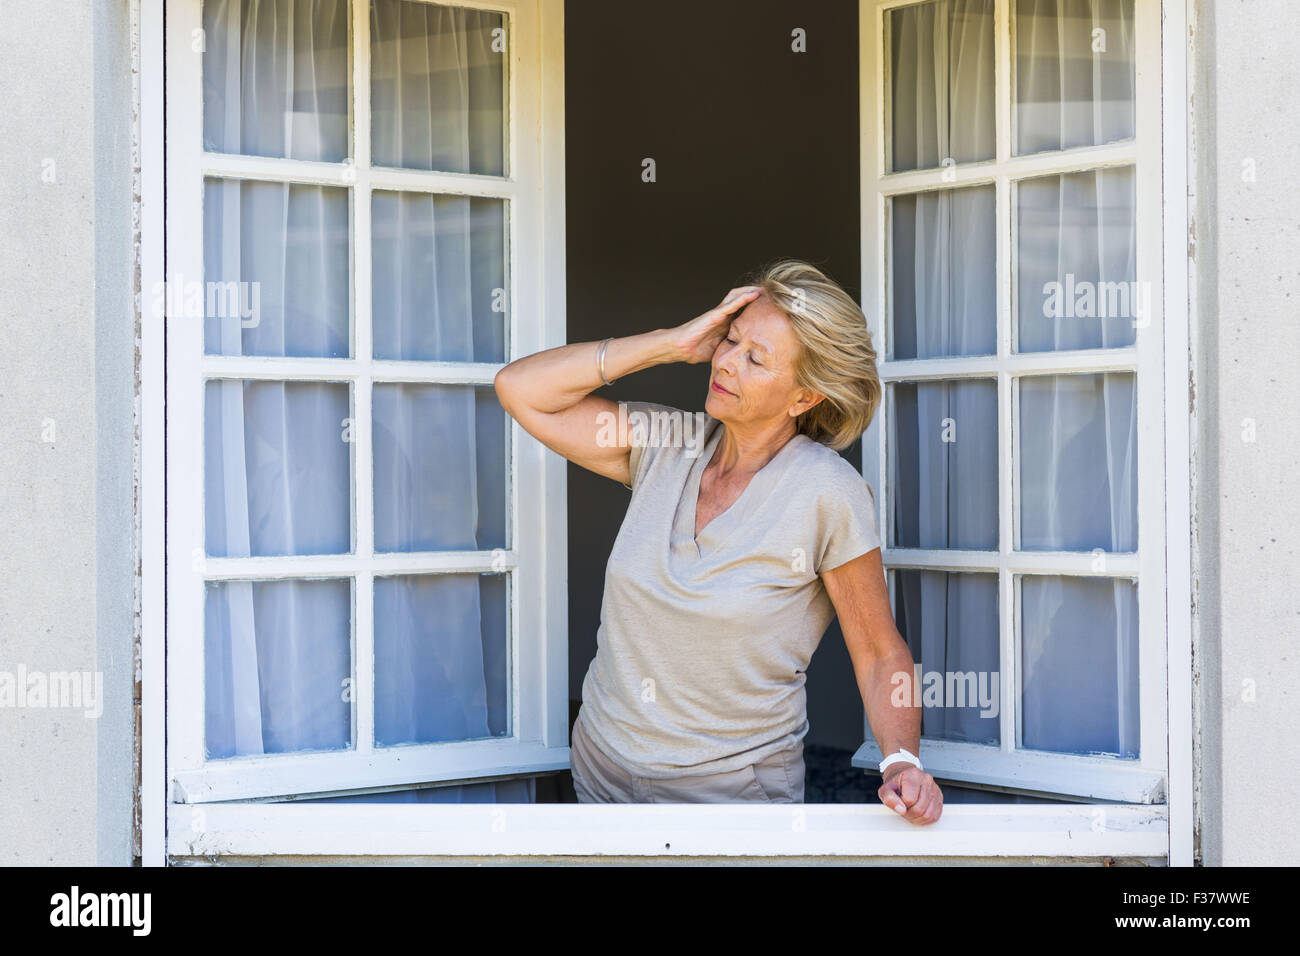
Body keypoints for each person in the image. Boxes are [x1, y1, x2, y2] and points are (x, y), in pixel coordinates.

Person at [493, 259, 942, 823]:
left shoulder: (826, 492)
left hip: (731, 798)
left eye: (755, 359)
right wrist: (668, 343)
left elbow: (879, 650)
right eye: (729, 341)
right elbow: (520, 389)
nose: (726, 361)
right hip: (601, 777)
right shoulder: (666, 444)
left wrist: (901, 760)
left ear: (803, 398)